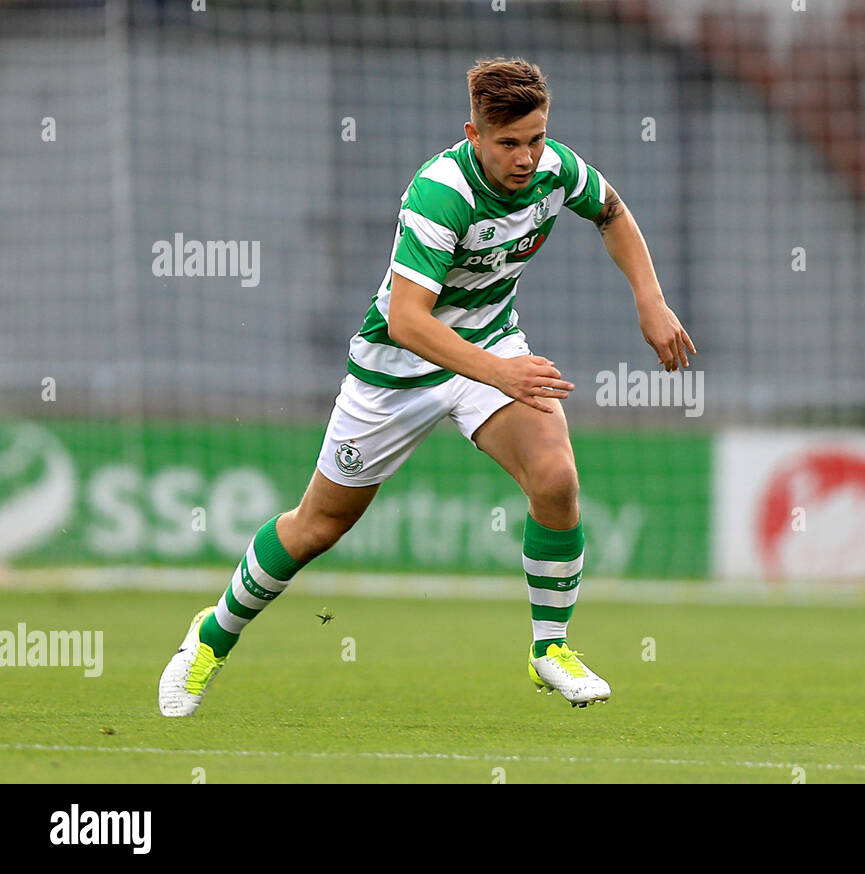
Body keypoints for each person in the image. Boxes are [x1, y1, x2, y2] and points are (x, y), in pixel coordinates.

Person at [158, 56, 695, 715]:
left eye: (535, 138)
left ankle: (549, 649)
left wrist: (651, 299)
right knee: (317, 527)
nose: (526, 158)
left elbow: (610, 211)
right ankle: (211, 637)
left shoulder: (557, 166)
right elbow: (407, 321)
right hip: (397, 370)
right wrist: (500, 372)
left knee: (555, 480)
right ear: (473, 134)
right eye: (508, 144)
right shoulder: (442, 193)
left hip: (490, 344)